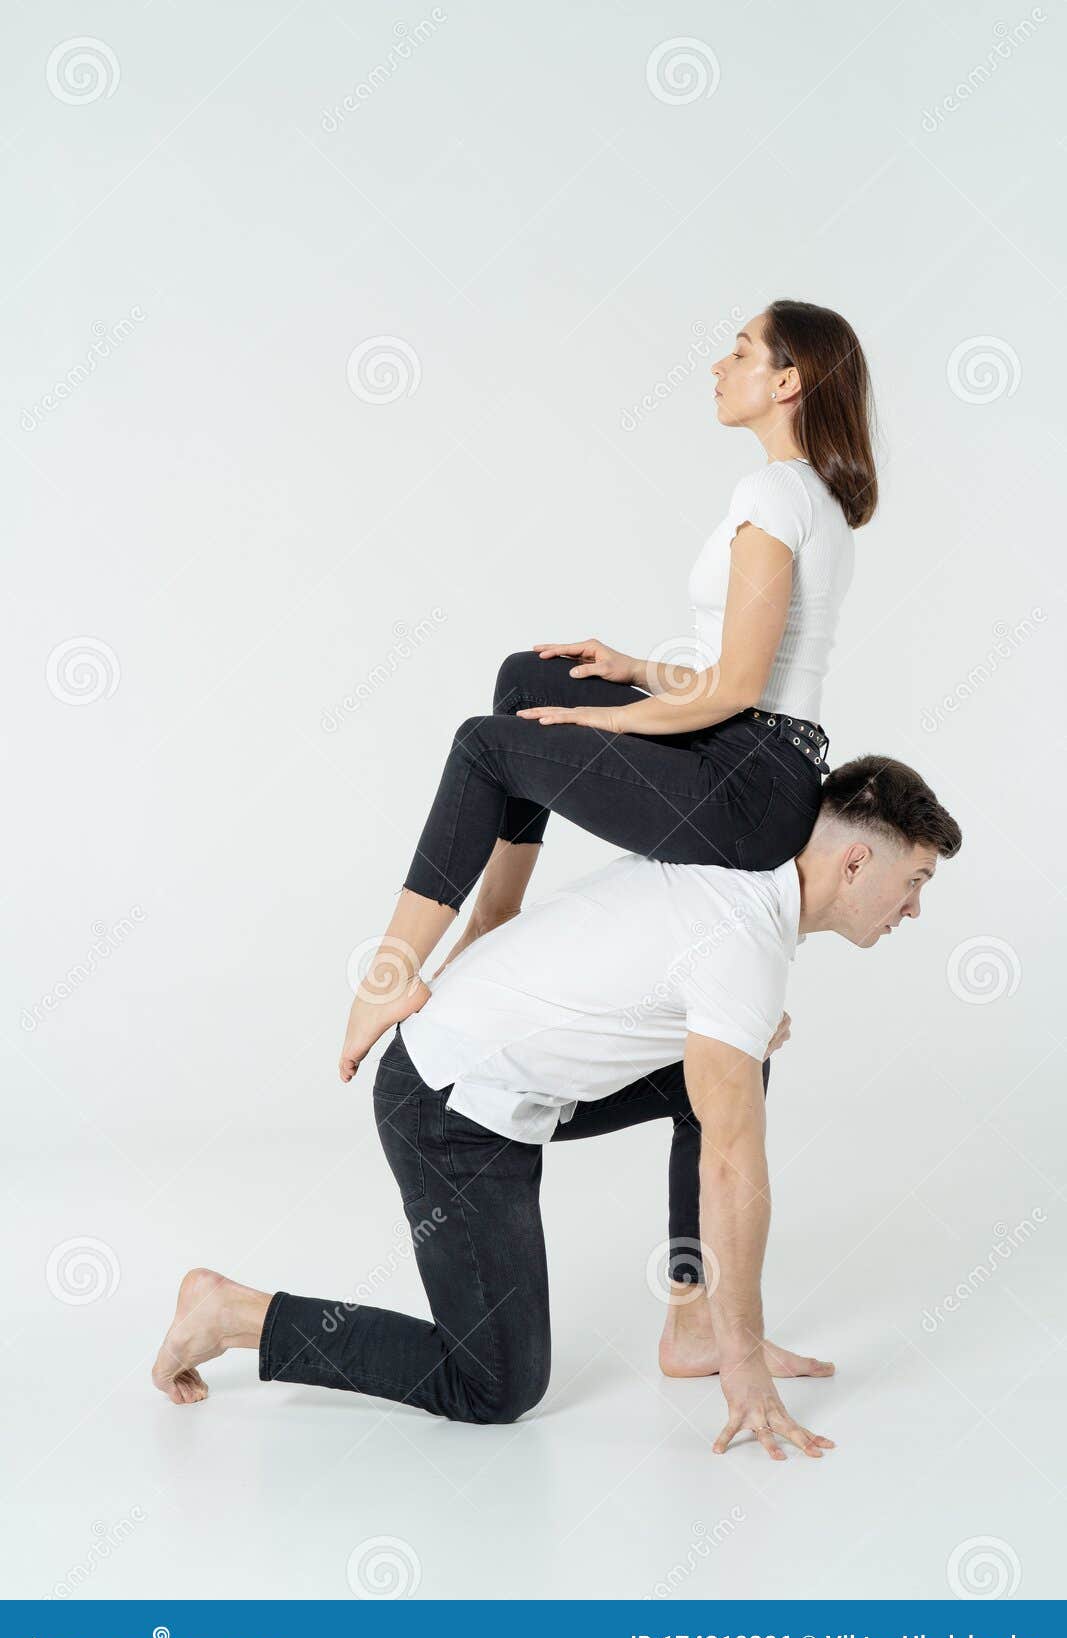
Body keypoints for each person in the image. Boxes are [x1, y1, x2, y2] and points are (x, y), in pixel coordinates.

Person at [154, 756, 962, 1462]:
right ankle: (236, 1314)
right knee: (496, 1385)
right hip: (447, 1108)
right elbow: (729, 1164)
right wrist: (746, 1360)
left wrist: (734, 1040)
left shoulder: (738, 865)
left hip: (510, 1073)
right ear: (855, 863)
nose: (914, 909)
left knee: (731, 1075)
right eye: (915, 881)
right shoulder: (743, 946)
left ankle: (690, 1324)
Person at [338, 299, 878, 1094]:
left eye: (739, 354)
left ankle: (386, 978)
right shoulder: (804, 497)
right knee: (529, 679)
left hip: (746, 791)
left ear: (787, 381)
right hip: (754, 755)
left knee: (484, 744)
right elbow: (755, 681)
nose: (717, 368)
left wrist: (599, 719)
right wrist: (632, 670)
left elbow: (735, 690)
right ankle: (494, 916)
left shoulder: (772, 499)